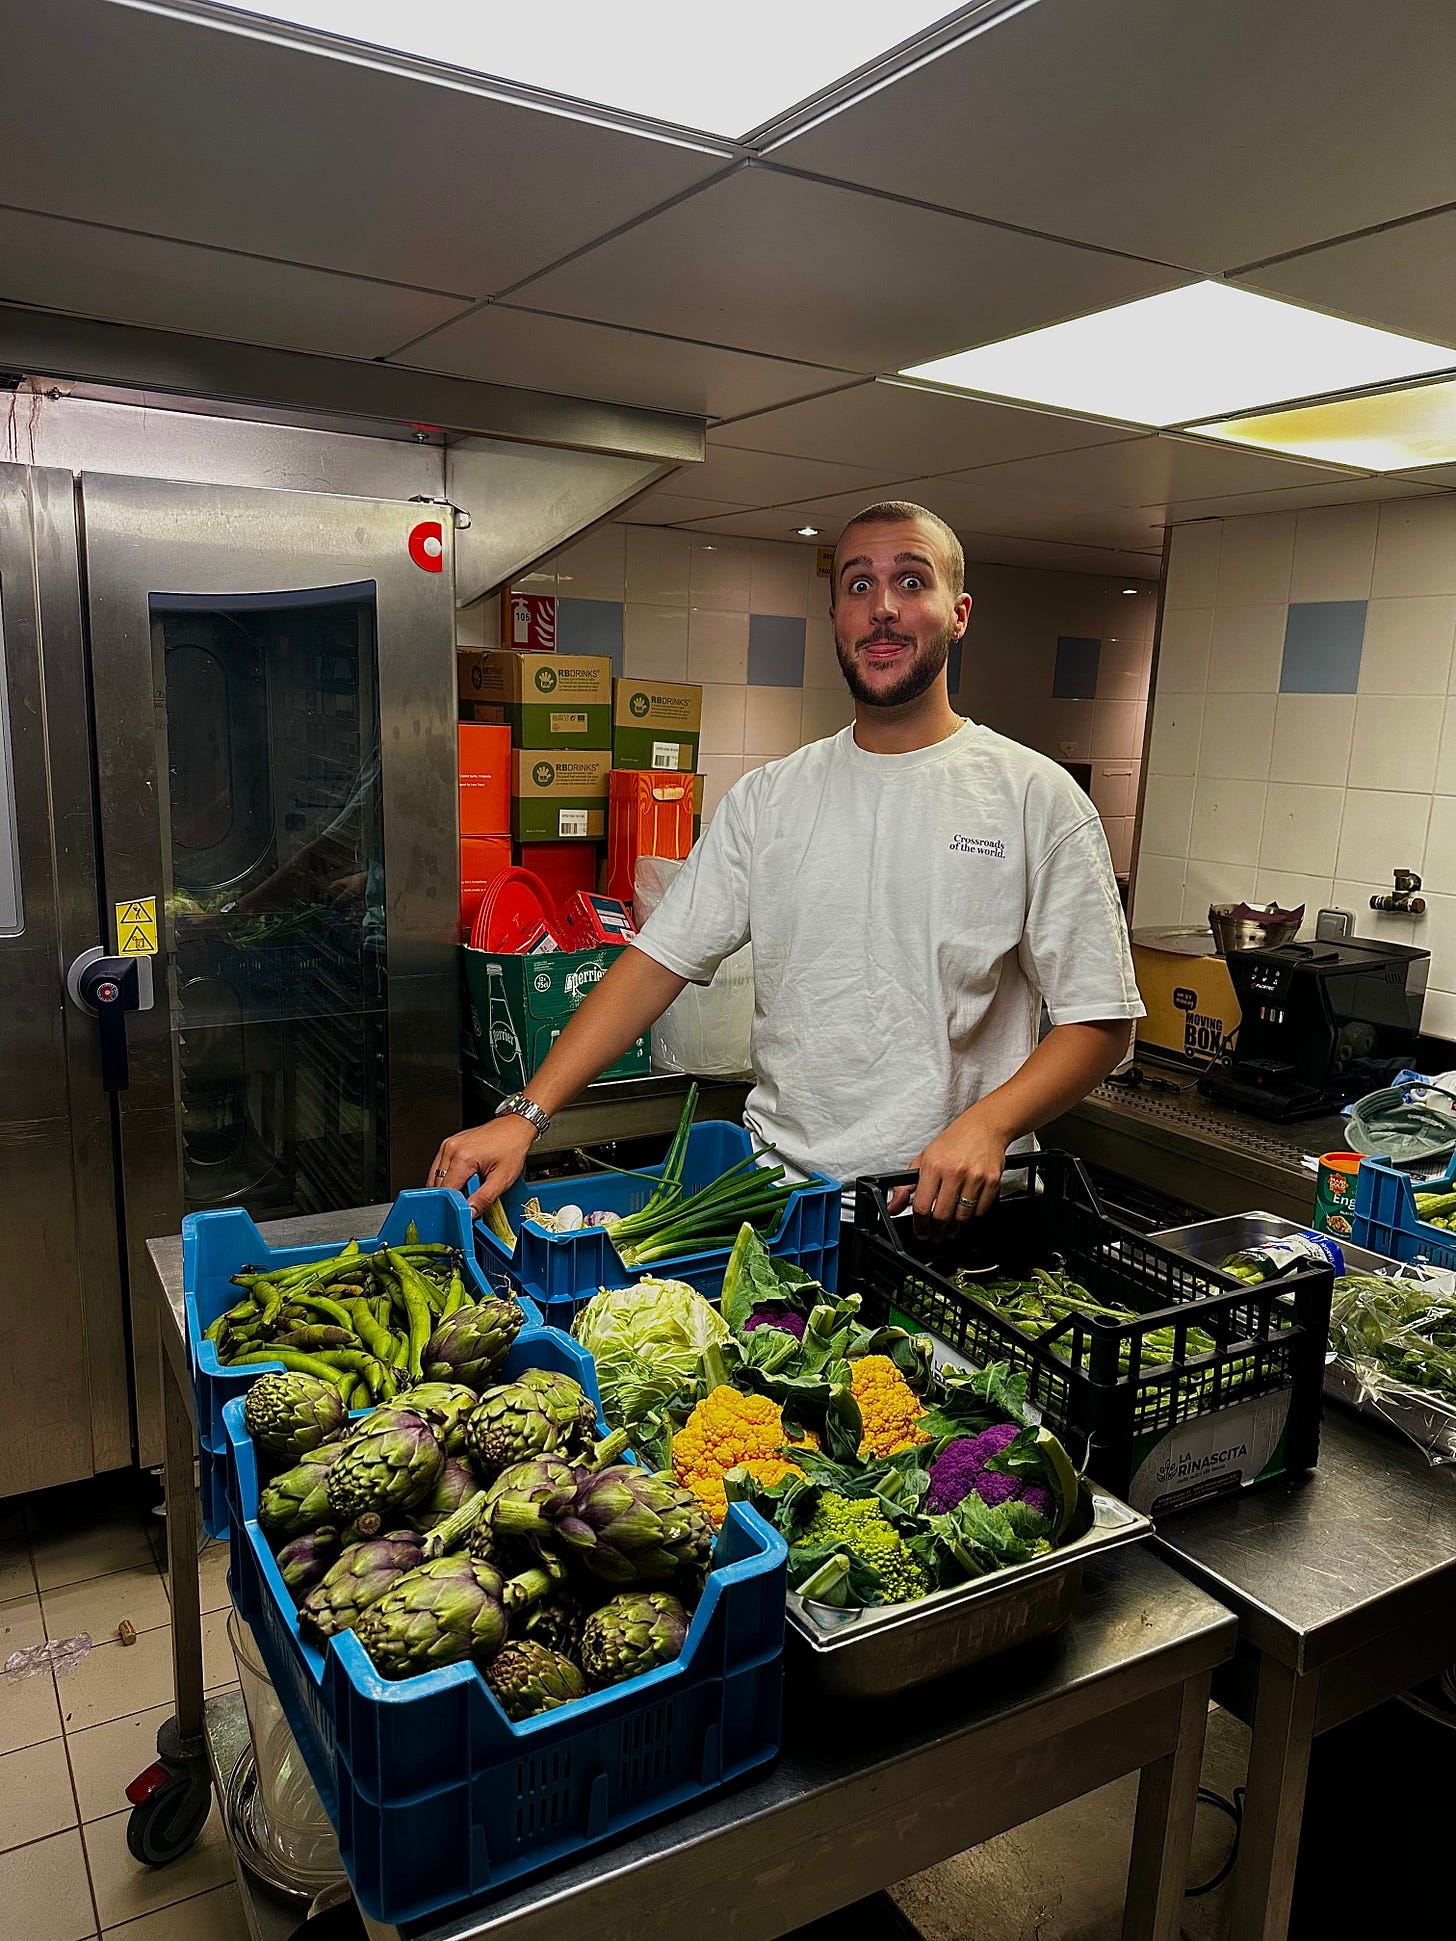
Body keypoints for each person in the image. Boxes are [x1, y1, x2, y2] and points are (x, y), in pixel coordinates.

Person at [431, 500, 1143, 1230]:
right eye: (859, 586)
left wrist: (991, 1123)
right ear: (836, 617)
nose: (884, 609)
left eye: (911, 580)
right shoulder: (772, 798)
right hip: (781, 1211)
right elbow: (654, 962)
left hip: (952, 1217)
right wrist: (524, 1114)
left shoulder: (1034, 798)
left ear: (958, 612)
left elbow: (1101, 1020)